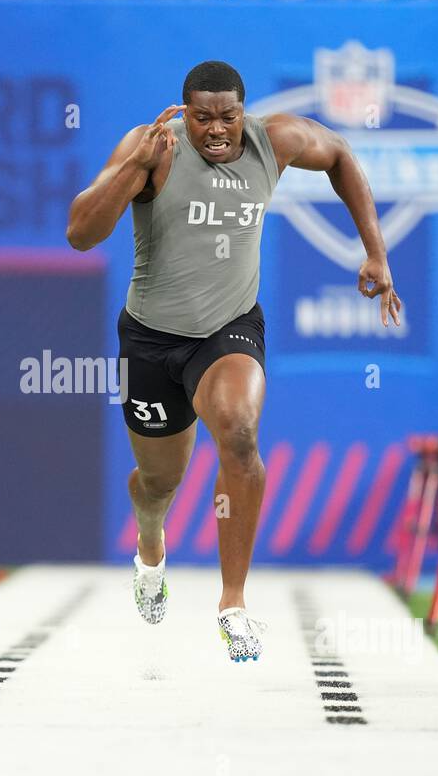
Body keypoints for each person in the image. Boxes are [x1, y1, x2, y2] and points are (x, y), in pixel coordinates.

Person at [65, 61, 399, 662]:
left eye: (228, 117)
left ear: (243, 113)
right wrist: (134, 168)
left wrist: (375, 252)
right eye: (203, 118)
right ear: (183, 113)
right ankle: (150, 549)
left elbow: (343, 154)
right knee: (159, 483)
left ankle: (233, 604)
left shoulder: (276, 141)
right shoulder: (153, 148)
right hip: (149, 339)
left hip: (228, 330)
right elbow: (81, 233)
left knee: (239, 436)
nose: (217, 131)